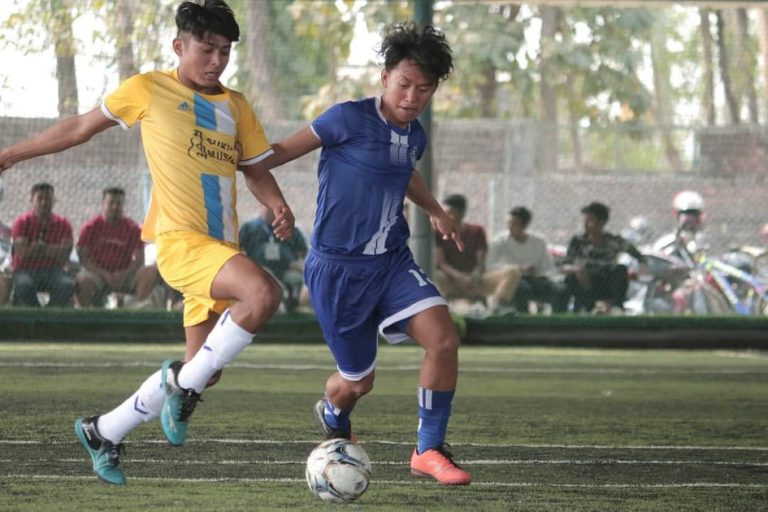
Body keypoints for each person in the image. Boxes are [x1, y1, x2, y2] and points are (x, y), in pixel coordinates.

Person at [0, 0, 294, 485]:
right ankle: (183, 388)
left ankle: (104, 431)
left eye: (225, 51)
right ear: (179, 46)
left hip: (219, 252)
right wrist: (11, 154)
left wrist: (277, 204)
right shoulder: (148, 89)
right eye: (207, 49)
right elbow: (78, 129)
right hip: (182, 244)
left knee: (207, 367)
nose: (217, 60)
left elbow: (256, 170)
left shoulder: (236, 106)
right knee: (264, 295)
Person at [256, 22, 472, 485]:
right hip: (338, 271)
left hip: (392, 260)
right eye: (405, 84)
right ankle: (334, 410)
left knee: (444, 340)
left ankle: (428, 450)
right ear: (384, 77)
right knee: (357, 383)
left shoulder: (415, 135)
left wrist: (434, 209)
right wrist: (240, 163)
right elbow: (275, 153)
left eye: (424, 89)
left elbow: (403, 171)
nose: (413, 97)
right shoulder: (345, 118)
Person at [434, 193, 520, 316]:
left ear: (462, 213)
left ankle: (499, 305)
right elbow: (442, 264)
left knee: (512, 271)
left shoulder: (477, 231)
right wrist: (460, 277)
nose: (445, 216)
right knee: (434, 275)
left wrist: (475, 276)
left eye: (450, 212)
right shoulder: (438, 233)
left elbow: (480, 262)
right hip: (451, 280)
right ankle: (441, 308)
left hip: (475, 282)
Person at [75, 187, 160, 308]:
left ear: (123, 205)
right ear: (103, 204)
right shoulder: (91, 227)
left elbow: (139, 258)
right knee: (81, 281)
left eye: (118, 203)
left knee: (151, 271)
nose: (115, 207)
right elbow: (83, 257)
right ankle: (85, 315)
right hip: (97, 273)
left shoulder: (133, 228)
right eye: (111, 203)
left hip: (126, 273)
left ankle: (139, 308)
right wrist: (105, 274)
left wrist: (125, 273)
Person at [563, 201, 646, 313]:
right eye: (584, 221)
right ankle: (590, 307)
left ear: (601, 223)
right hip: (585, 279)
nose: (585, 224)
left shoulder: (614, 241)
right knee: (570, 279)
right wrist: (577, 269)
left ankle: (616, 307)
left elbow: (639, 256)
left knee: (620, 269)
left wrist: (640, 269)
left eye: (590, 221)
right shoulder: (577, 241)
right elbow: (565, 264)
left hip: (606, 280)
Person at [487, 206, 568, 314]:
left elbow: (547, 267)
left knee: (561, 291)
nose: (509, 227)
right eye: (508, 223)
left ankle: (558, 324)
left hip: (536, 279)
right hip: (513, 279)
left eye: (514, 224)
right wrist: (517, 269)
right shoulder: (500, 241)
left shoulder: (539, 241)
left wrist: (539, 274)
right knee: (523, 289)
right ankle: (524, 322)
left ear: (524, 225)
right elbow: (489, 264)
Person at [10, 182, 75, 307]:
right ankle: (36, 315)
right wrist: (53, 249)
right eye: (40, 198)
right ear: (32, 200)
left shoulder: (64, 224)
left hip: (55, 271)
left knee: (66, 285)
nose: (44, 202)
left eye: (48, 198)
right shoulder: (22, 222)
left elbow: (64, 255)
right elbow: (22, 253)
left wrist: (38, 247)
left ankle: (49, 316)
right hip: (25, 270)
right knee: (23, 285)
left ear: (54, 201)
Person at [239, 202, 308, 313]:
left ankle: (291, 304)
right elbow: (240, 250)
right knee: (266, 281)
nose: (271, 210)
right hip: (259, 270)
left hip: (286, 270)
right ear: (260, 206)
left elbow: (302, 252)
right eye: (268, 207)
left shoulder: (289, 228)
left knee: (295, 278)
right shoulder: (250, 228)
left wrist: (296, 263)